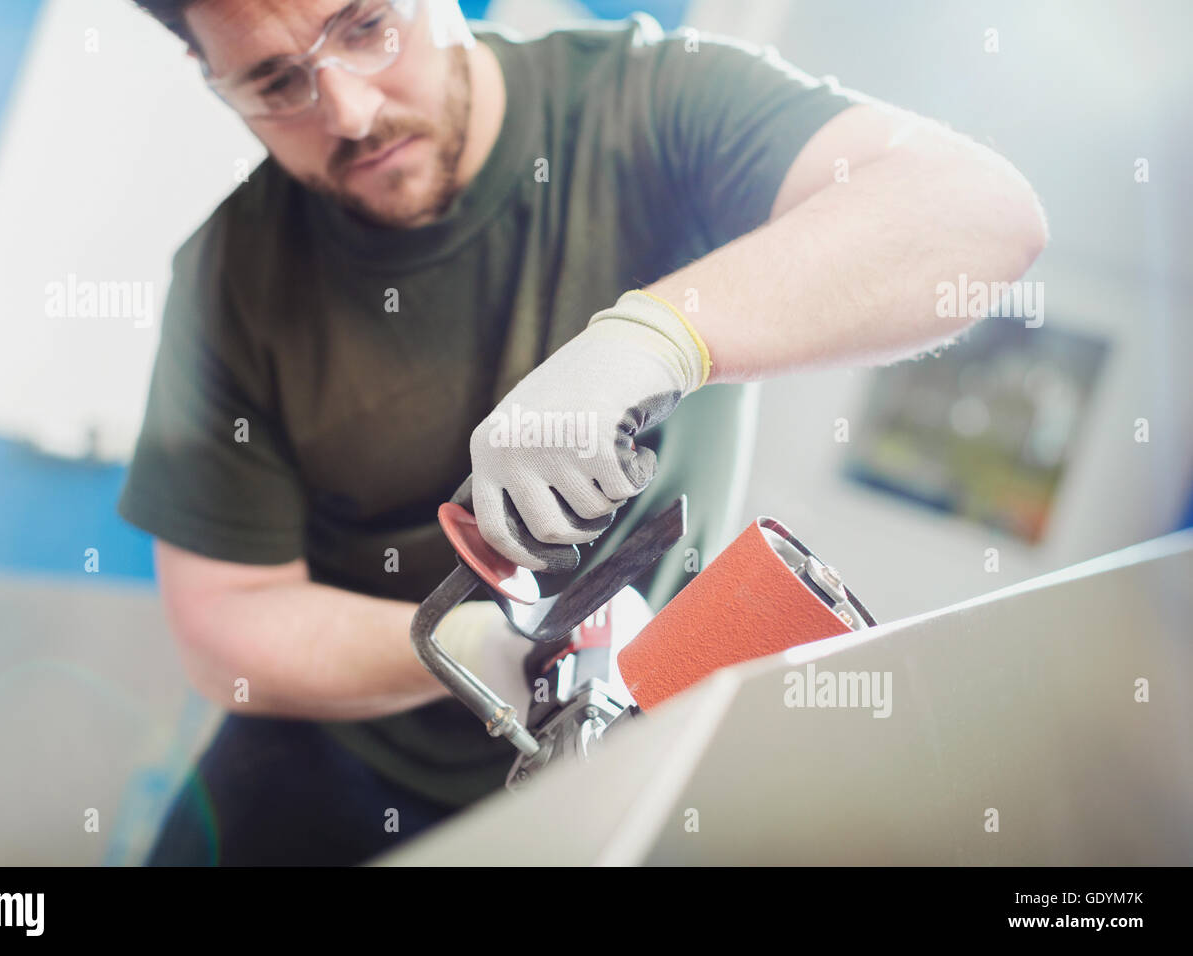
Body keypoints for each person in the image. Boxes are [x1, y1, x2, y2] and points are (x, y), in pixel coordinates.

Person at [119, 0, 1047, 865]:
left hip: (612, 782)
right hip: (313, 780)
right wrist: (473, 651)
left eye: (367, 26)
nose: (351, 111)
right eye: (279, 84)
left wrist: (658, 338)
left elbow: (979, 210)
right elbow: (226, 621)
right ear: (213, 80)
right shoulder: (228, 277)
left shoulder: (652, 101)